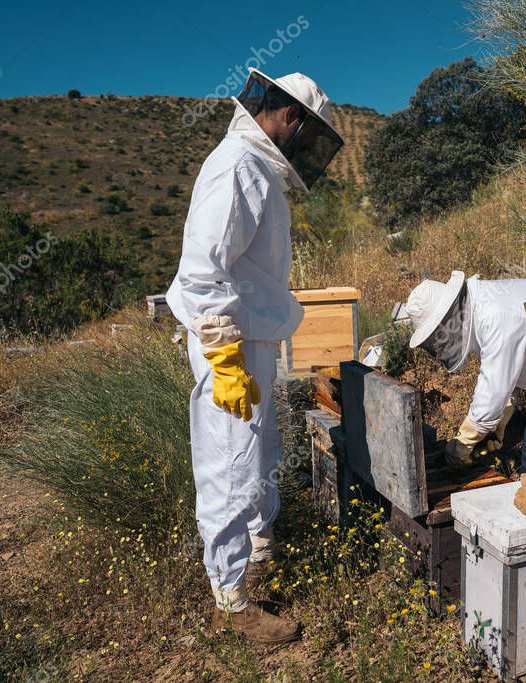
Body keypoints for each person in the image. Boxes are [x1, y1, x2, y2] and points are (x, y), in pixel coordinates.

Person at [165, 67, 343, 646]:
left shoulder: (255, 168)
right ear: (291, 117)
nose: (307, 148)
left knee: (259, 452)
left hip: (249, 340)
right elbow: (202, 272)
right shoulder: (239, 166)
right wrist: (223, 359)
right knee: (231, 465)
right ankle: (231, 602)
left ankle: (255, 552)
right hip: (231, 345)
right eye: (309, 134)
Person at [406, 273, 526, 484]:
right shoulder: (484, 308)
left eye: (439, 332)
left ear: (448, 317)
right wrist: (499, 421)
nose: (441, 340)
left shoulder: (494, 314)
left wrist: (464, 440)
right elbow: (511, 369)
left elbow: (493, 389)